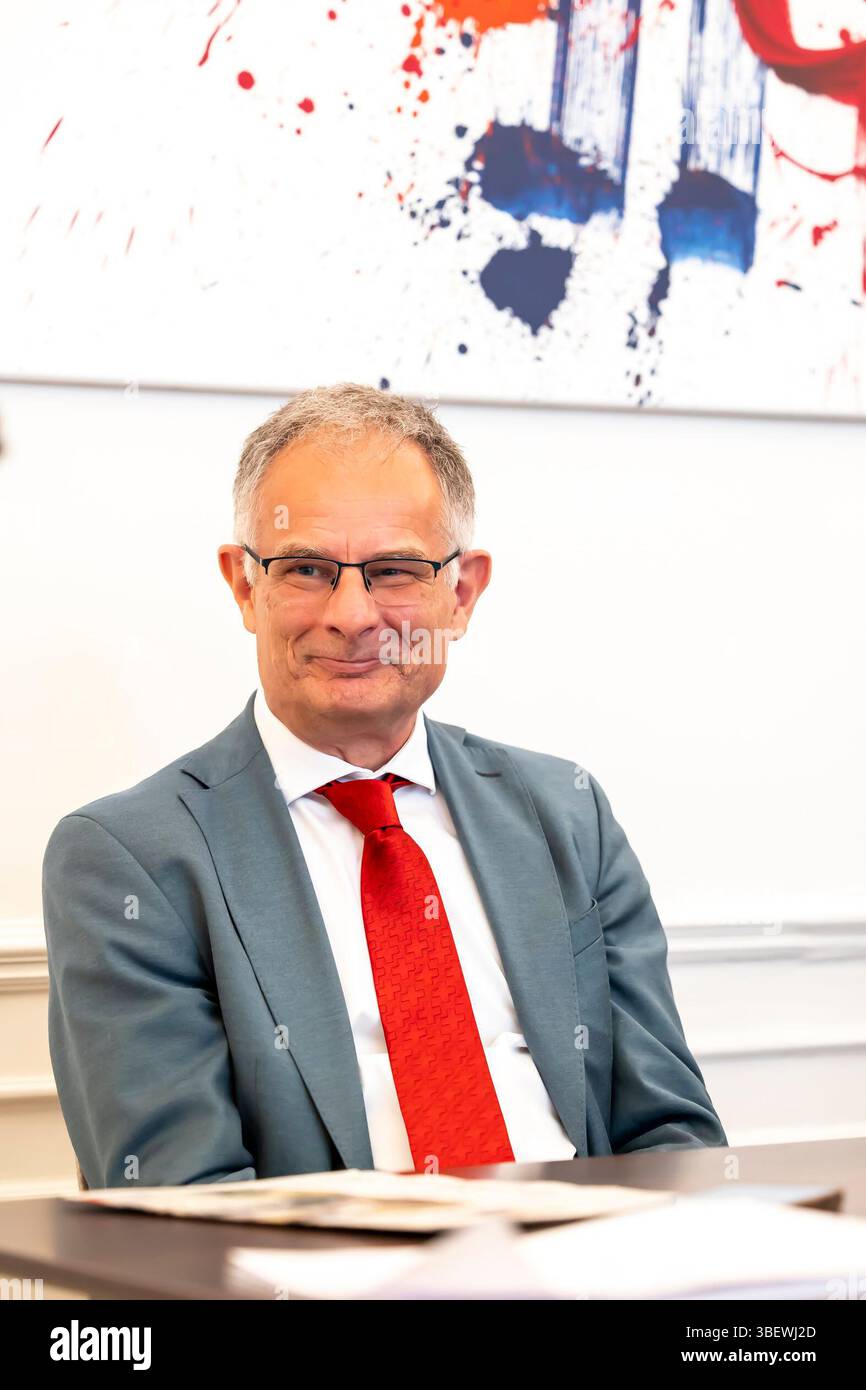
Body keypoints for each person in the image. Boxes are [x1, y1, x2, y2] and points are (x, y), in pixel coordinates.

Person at [43, 382, 727, 1188]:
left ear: (461, 594)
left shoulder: (568, 815)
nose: (353, 615)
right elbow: (186, 1209)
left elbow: (672, 1136)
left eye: (394, 571)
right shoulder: (129, 860)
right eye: (305, 569)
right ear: (244, 586)